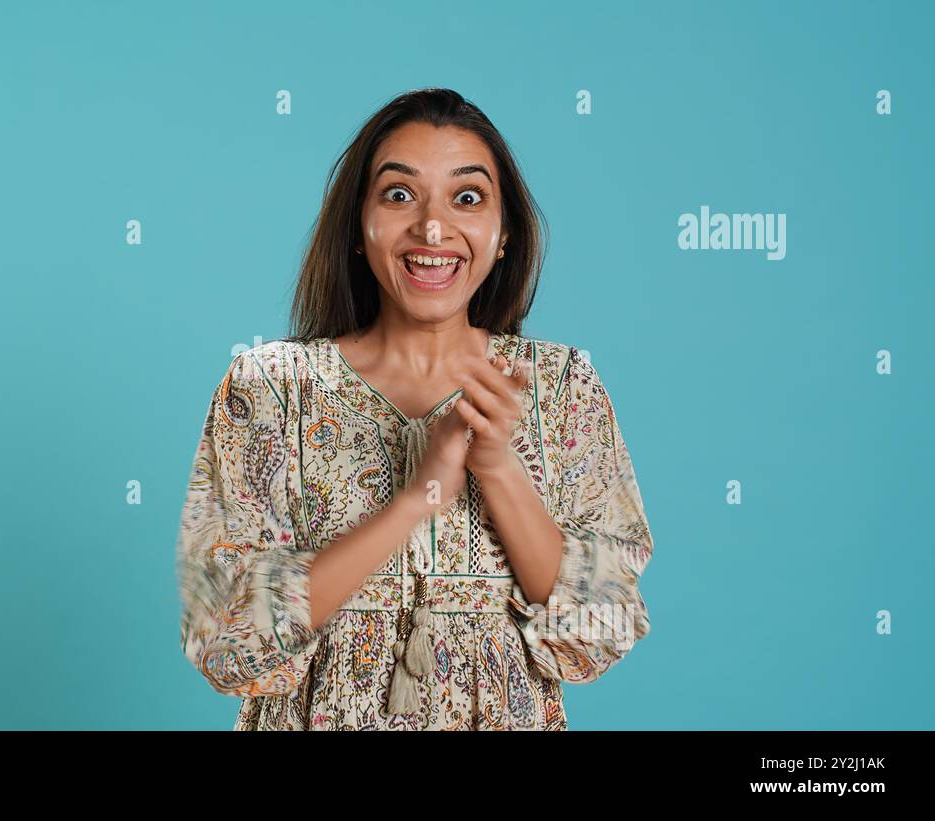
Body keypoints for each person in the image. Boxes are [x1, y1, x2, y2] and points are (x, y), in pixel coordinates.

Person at [175, 87, 653, 730]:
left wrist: (499, 467)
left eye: (468, 197)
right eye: (399, 194)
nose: (433, 227)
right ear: (357, 227)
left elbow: (603, 628)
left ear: (504, 233)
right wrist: (413, 503)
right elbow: (224, 636)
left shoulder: (562, 386)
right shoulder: (269, 388)